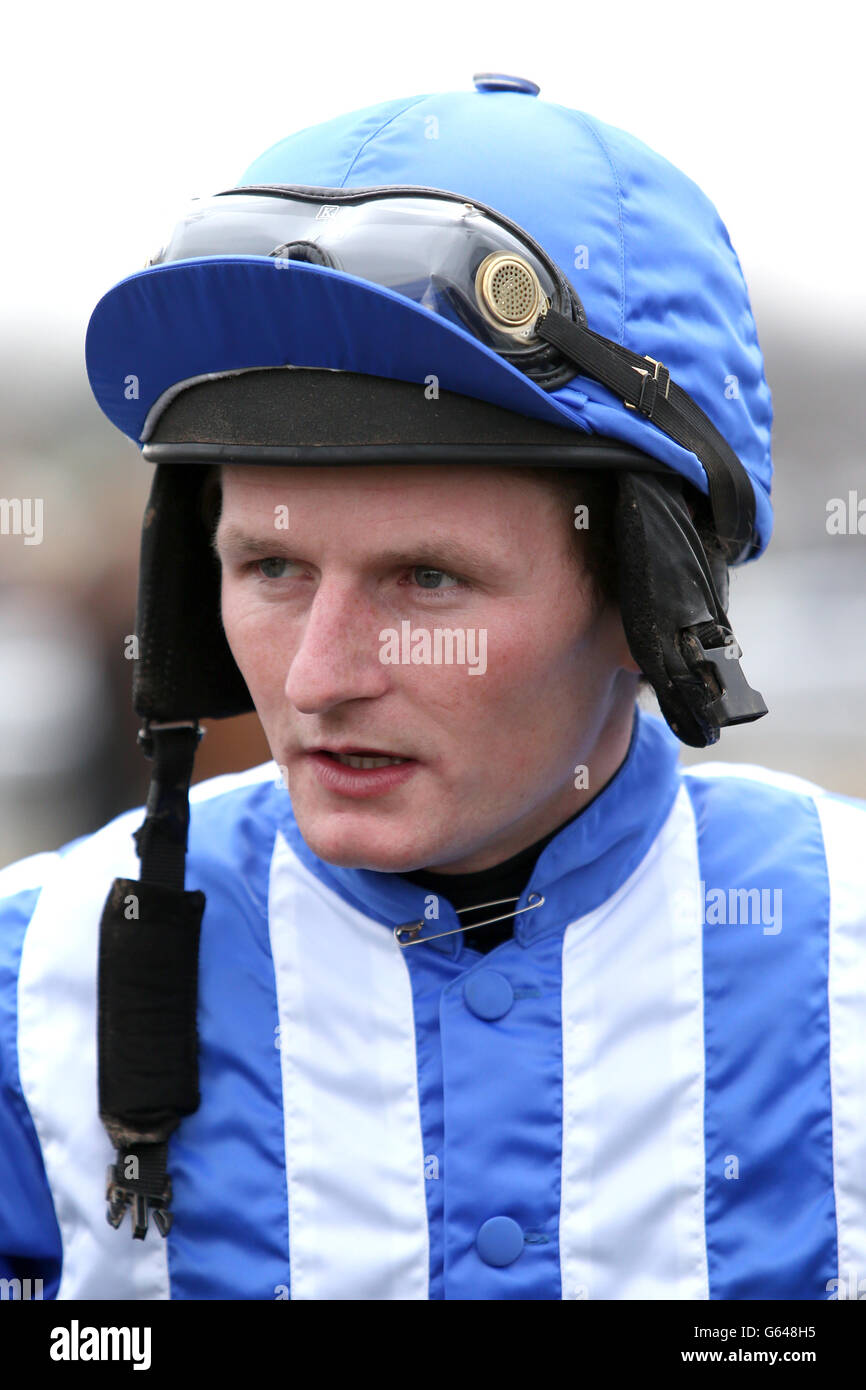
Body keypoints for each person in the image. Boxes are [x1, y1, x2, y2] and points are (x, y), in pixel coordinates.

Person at [1, 73, 864, 1303]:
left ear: (651, 606)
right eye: (272, 566)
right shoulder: (31, 987)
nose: (316, 676)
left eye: (426, 578)